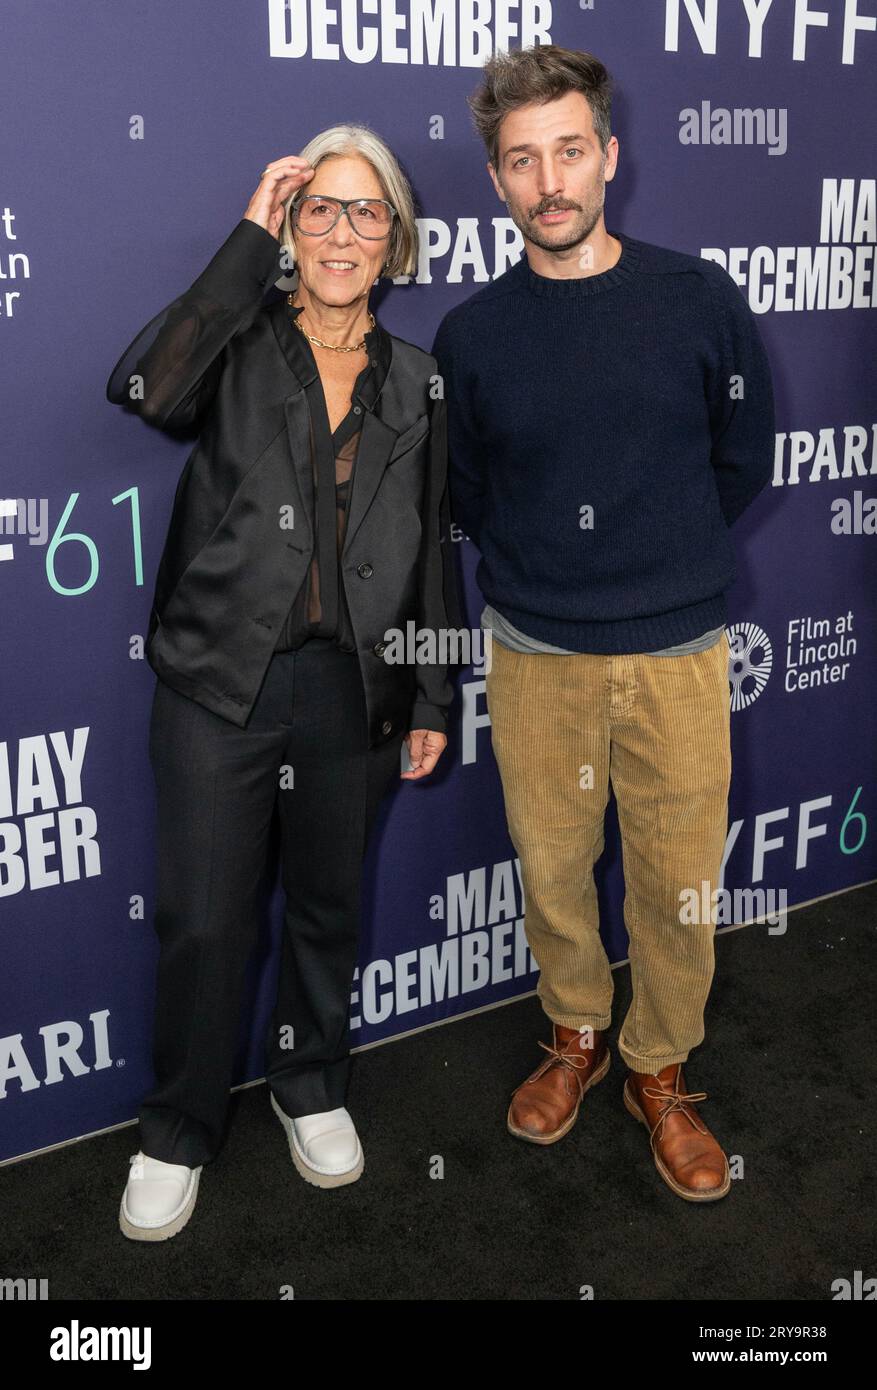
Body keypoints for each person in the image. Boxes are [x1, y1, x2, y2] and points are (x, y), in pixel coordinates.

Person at [432, 46, 775, 1202]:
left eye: (568, 150)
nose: (549, 180)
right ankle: (576, 1030)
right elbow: (469, 493)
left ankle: (659, 1065)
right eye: (522, 161)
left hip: (679, 652)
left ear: (609, 157)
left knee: (678, 882)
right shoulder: (474, 336)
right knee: (553, 870)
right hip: (537, 656)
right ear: (498, 182)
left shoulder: (696, 298)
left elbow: (743, 456)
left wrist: (657, 567)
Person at [106, 126, 458, 1240]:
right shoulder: (238, 343)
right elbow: (144, 387)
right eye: (319, 210)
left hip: (350, 694)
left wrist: (432, 695)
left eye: (365, 213)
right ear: (291, 230)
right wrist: (247, 238)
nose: (342, 233)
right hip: (221, 684)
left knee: (325, 908)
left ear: (394, 239)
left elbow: (431, 552)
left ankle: (310, 1087)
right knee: (205, 922)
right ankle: (177, 1126)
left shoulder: (418, 380)